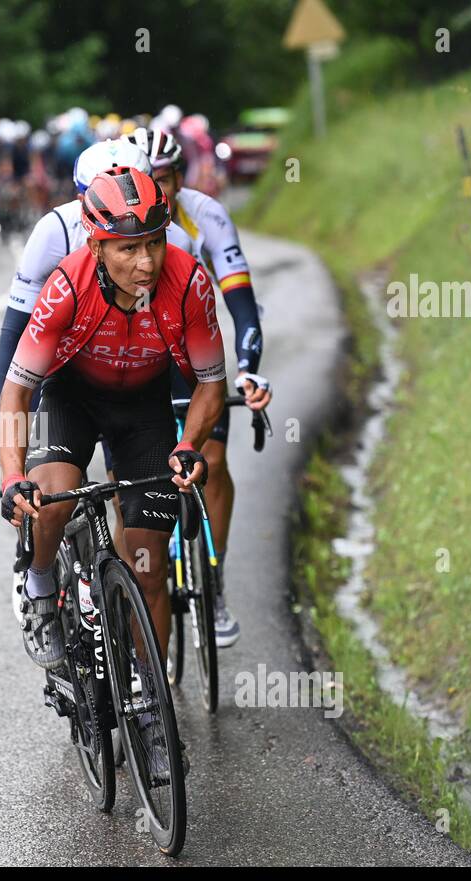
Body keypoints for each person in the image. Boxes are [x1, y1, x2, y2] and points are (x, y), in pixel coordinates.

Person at [0, 167, 225, 771]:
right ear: (96, 245)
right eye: (128, 248)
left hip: (145, 410)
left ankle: (151, 711)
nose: (146, 261)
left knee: (149, 562)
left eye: (154, 242)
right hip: (73, 400)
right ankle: (42, 584)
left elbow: (209, 384)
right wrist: (12, 476)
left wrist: (190, 444)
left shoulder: (188, 282)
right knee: (57, 496)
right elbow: (17, 394)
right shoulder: (66, 289)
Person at [129, 126, 272, 647]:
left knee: (211, 460)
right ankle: (143, 587)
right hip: (134, 360)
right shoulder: (114, 223)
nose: (153, 192)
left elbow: (240, 300)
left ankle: (212, 580)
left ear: (178, 178)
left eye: (161, 180)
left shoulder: (203, 214)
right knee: (130, 477)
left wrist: (250, 366)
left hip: (192, 355)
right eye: (143, 179)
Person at [0, 138, 197, 437]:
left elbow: (181, 336)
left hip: (135, 374)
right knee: (40, 472)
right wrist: (4, 424)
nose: (121, 208)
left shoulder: (175, 241)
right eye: (102, 196)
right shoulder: (54, 231)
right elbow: (16, 330)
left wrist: (185, 407)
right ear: (79, 198)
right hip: (65, 371)